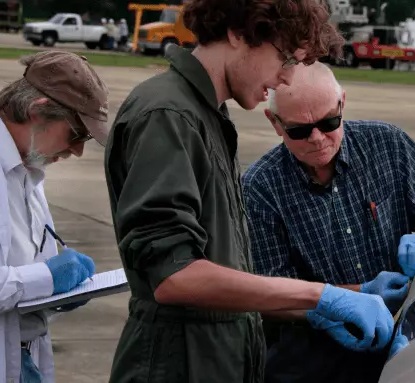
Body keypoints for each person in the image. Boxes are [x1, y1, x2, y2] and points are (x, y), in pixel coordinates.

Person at [103, 0, 398, 382]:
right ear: (238, 34)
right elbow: (175, 276)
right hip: (179, 367)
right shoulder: (169, 115)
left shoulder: (204, 114)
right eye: (285, 58)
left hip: (217, 360)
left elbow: (224, 271)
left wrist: (316, 311)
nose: (285, 79)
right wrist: (319, 295)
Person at [241, 62, 415, 383]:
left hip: (395, 348)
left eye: (329, 122)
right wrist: (350, 297)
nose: (317, 138)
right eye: (299, 130)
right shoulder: (260, 189)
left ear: (342, 103)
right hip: (312, 363)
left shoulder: (387, 145)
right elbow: (268, 295)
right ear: (275, 123)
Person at [0, 50, 108, 383]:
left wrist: (58, 296)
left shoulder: (26, 170)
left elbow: (16, 275)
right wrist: (43, 279)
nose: (78, 151)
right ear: (38, 112)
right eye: (77, 134)